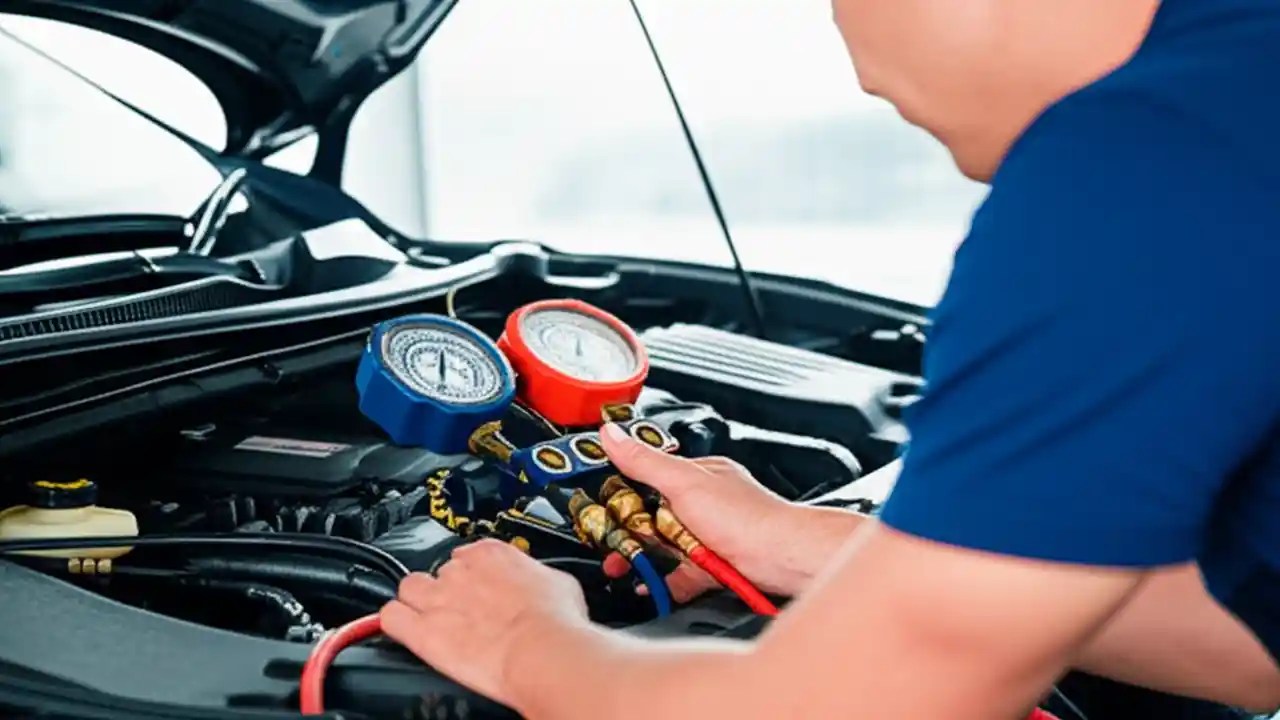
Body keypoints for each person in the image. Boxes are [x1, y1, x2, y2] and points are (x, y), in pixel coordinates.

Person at [380, 1, 1280, 717]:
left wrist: (528, 650)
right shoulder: (1237, 80)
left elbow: (858, 704)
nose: (839, 25)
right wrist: (812, 546)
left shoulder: (1138, 168)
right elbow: (1255, 641)